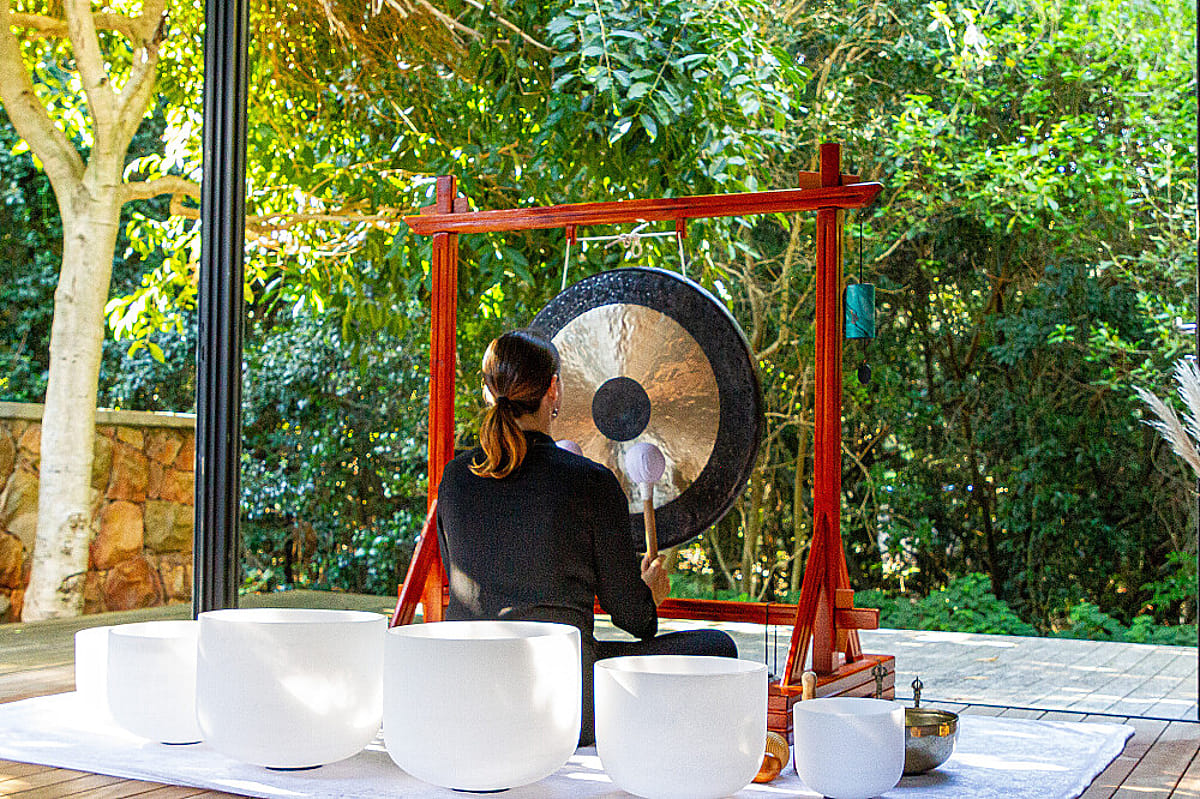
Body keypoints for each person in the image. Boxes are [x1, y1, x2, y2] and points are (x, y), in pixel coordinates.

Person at [436, 328, 737, 746]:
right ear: (554, 390)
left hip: (470, 697)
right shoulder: (590, 482)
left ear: (488, 391)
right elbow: (635, 621)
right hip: (564, 707)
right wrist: (649, 592)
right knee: (716, 648)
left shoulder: (454, 477)